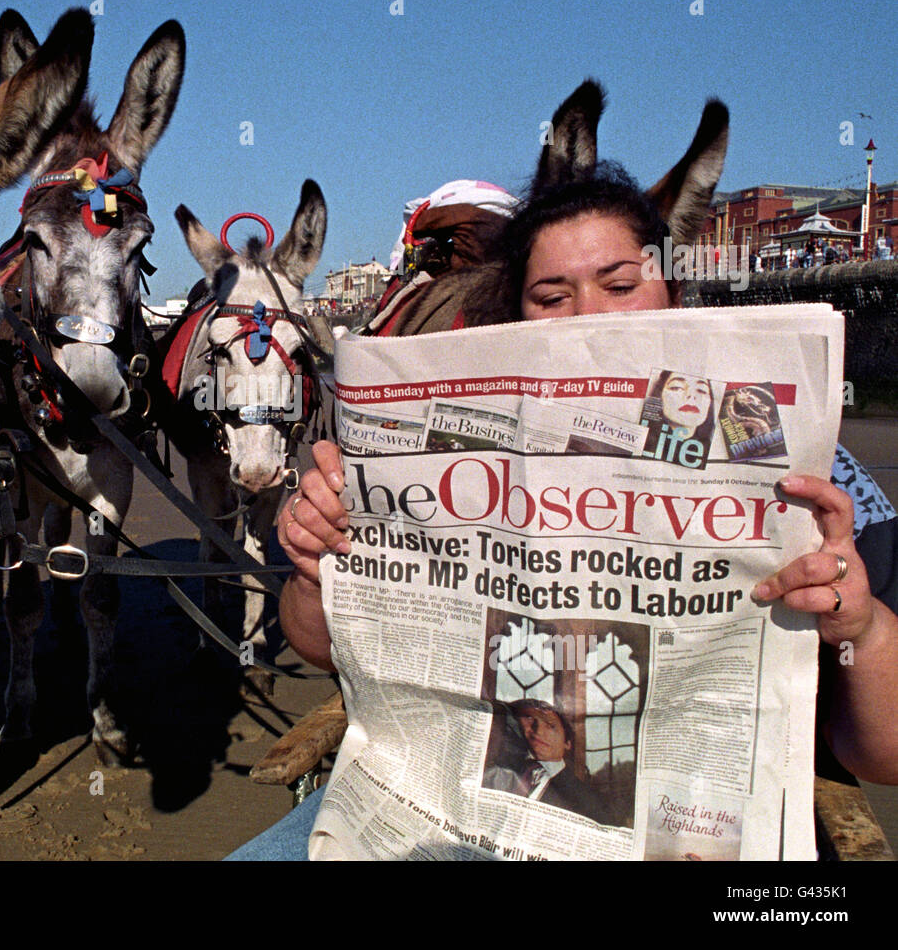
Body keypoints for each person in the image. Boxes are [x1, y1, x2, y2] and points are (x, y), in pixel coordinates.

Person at [233, 165, 898, 859]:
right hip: (444, 815)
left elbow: (885, 759)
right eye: (551, 296)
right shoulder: (441, 452)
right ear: (515, 317)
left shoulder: (809, 473)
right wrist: (316, 572)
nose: (589, 316)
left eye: (620, 285)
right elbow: (319, 646)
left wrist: (863, 628)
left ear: (673, 291)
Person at [482, 700, 612, 825]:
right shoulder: (496, 774)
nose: (538, 730)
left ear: (567, 743)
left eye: (550, 725)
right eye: (529, 719)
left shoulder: (585, 795)